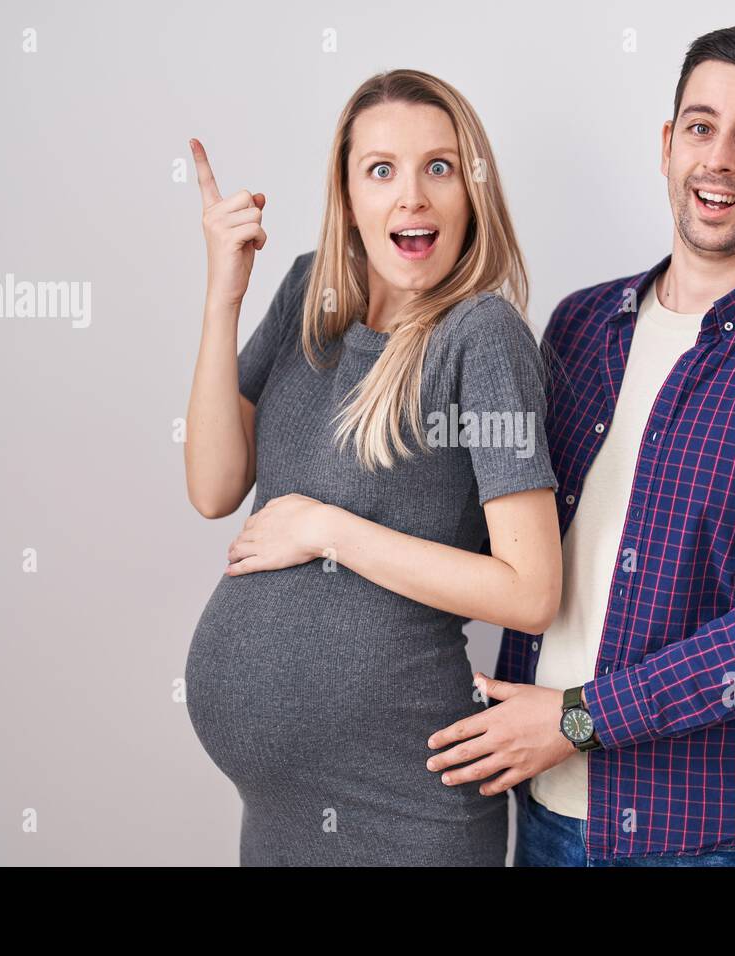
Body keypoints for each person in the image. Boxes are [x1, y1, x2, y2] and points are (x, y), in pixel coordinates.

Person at [425, 25, 735, 866]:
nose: (719, 158)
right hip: (541, 816)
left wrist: (575, 720)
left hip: (719, 839)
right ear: (666, 144)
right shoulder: (579, 326)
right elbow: (512, 535)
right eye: (700, 126)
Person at [181, 69, 561, 866]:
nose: (411, 196)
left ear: (473, 190)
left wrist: (327, 530)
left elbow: (529, 592)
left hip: (402, 809)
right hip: (281, 815)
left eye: (440, 167)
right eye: (381, 170)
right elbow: (214, 486)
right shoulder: (307, 295)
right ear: (348, 196)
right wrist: (224, 294)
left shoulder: (480, 336)